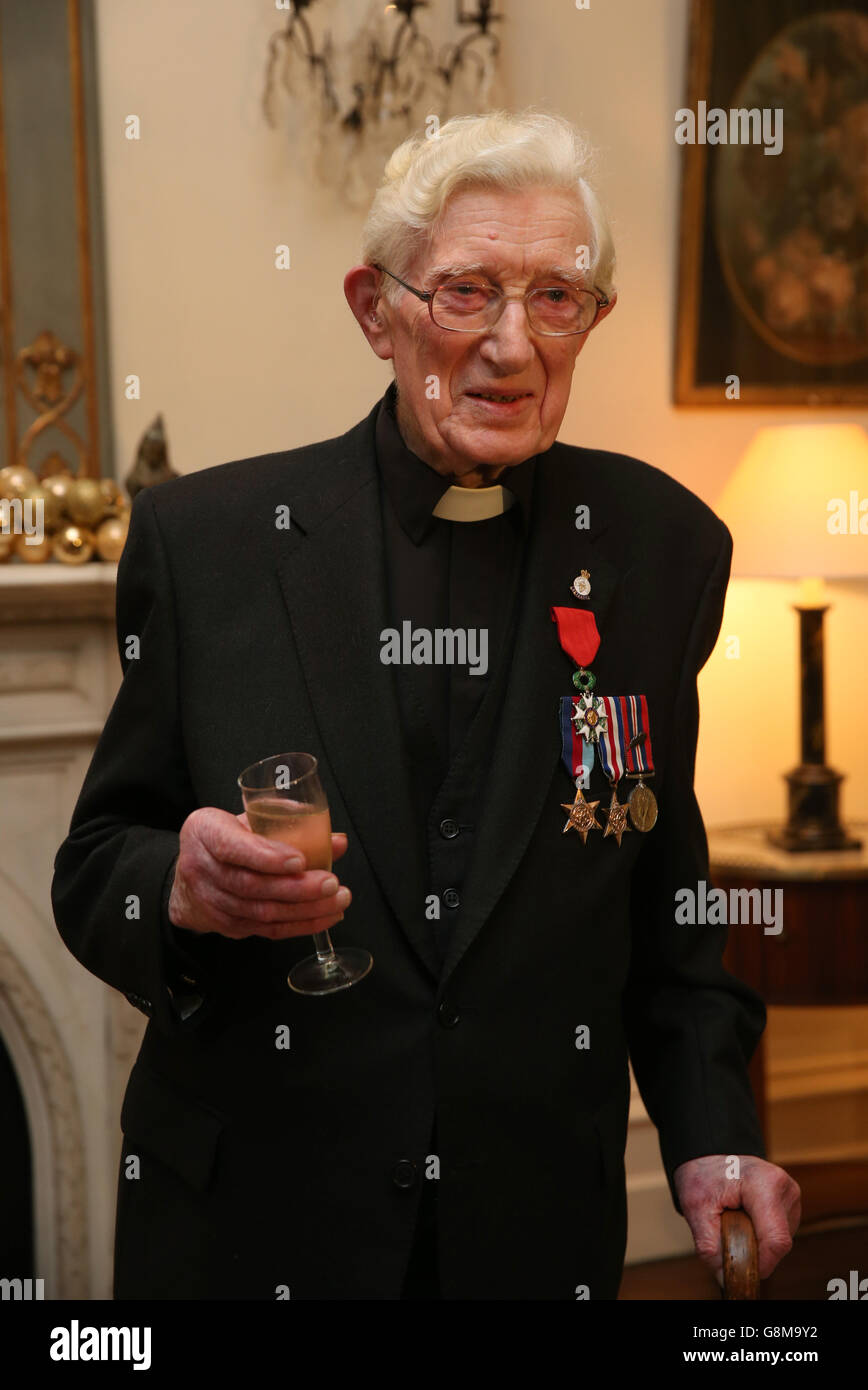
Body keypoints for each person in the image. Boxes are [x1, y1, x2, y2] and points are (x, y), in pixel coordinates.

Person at [51, 109, 800, 1300]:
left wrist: (714, 1128)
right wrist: (178, 887)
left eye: (558, 297)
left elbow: (665, 897)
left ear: (591, 320)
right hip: (255, 1228)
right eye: (466, 293)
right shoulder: (211, 546)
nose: (512, 344)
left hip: (529, 1232)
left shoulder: (663, 550)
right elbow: (94, 866)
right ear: (375, 310)